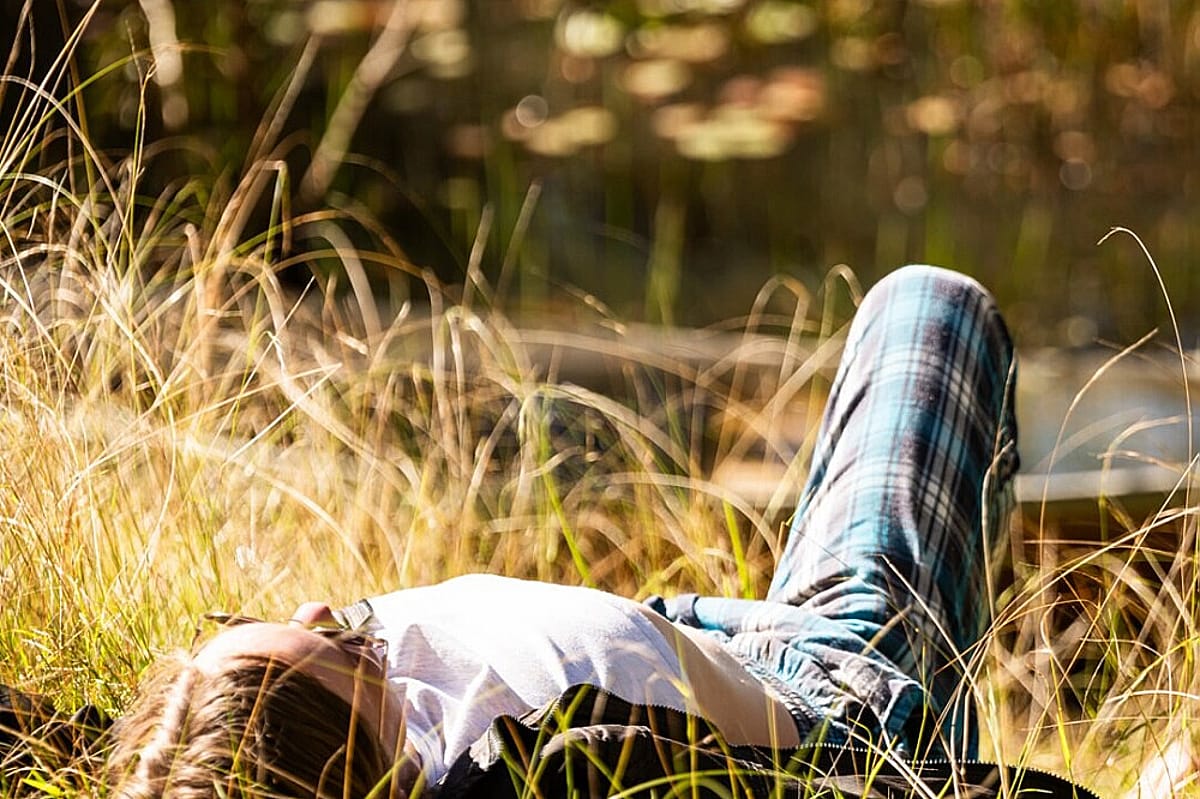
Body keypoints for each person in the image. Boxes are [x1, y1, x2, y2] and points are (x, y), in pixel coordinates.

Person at [105, 265, 1031, 799]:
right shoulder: (543, 761)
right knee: (931, 306)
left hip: (690, 637)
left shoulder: (281, 749)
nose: (318, 608)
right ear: (376, 772)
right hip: (833, 686)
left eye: (246, 624)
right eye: (347, 649)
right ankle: (977, 697)